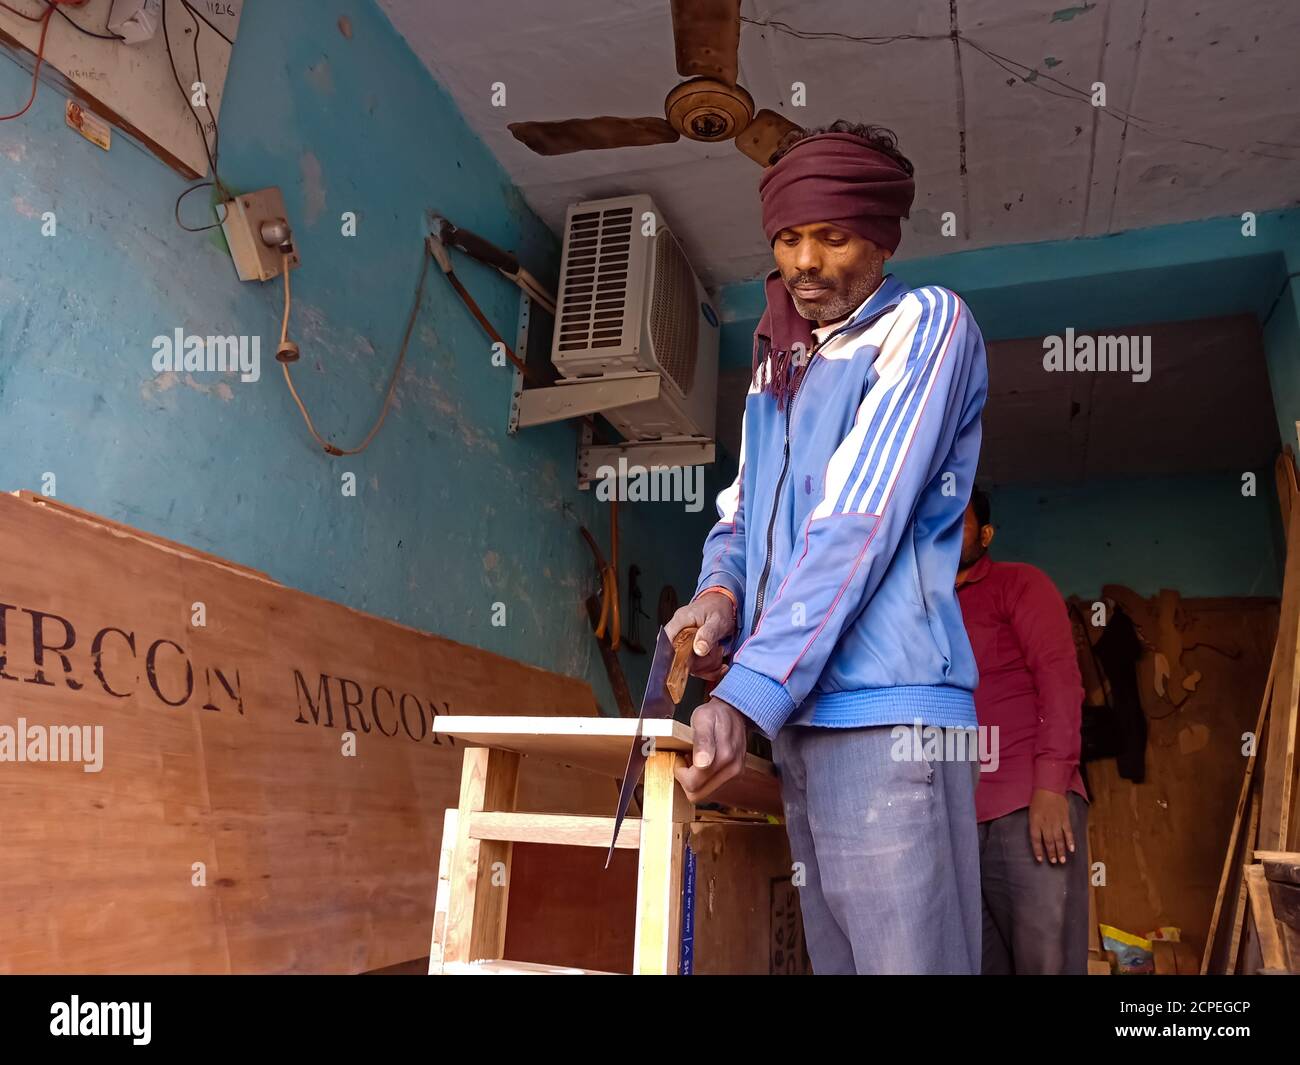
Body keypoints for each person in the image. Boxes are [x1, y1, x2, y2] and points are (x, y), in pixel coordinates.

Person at [664, 121, 988, 974]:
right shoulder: (776, 370)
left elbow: (857, 527)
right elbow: (738, 521)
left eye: (833, 236)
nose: (804, 261)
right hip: (799, 721)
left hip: (886, 715)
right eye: (787, 237)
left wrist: (742, 696)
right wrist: (719, 598)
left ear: (882, 238)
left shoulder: (925, 325)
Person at [955, 487, 1090, 974]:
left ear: (986, 534)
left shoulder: (1020, 585)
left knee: (1046, 963)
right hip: (957, 819)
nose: (946, 525)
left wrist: (1052, 785)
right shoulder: (924, 608)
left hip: (1029, 807)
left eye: (961, 519)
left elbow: (1059, 679)